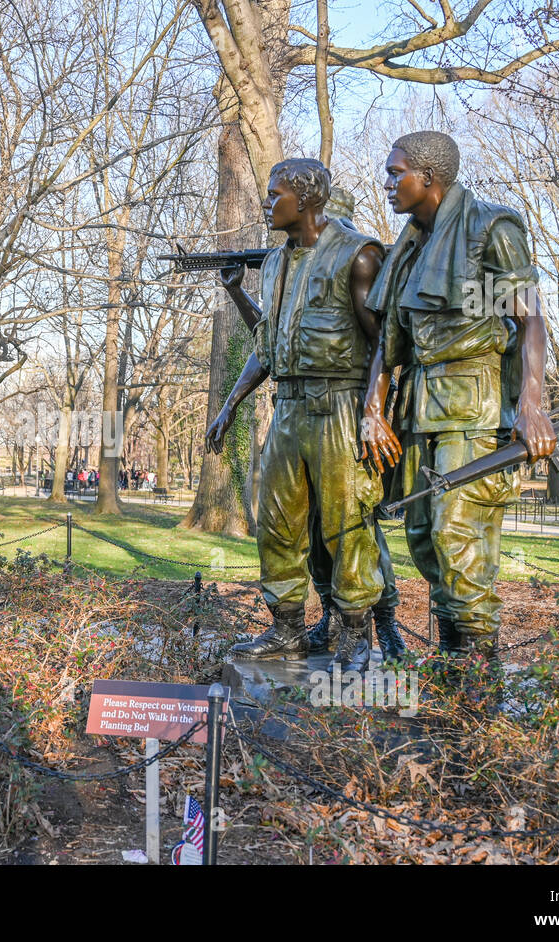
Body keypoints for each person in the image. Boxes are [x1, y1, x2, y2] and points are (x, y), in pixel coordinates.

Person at [361, 131, 556, 664]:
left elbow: (530, 317)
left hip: (476, 403)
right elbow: (389, 343)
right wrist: (372, 409)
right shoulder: (408, 247)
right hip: (421, 407)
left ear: (429, 177)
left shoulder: (490, 227)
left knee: (457, 534)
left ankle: (475, 679)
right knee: (425, 537)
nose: (387, 183)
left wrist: (532, 402)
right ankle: (453, 662)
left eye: (396, 172)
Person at [207, 157, 388, 671]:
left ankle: (355, 631)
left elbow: (384, 341)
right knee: (278, 523)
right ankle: (285, 627)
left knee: (347, 521)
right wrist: (230, 404)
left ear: (307, 198)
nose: (266, 203)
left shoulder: (358, 256)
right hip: (287, 407)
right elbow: (266, 344)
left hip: (339, 406)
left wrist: (375, 410)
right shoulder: (275, 264)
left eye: (274, 194)